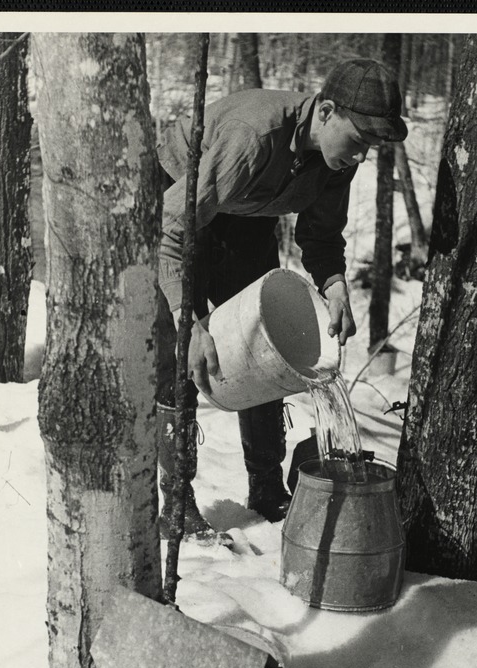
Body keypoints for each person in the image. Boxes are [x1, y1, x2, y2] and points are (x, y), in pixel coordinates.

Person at [155, 57, 408, 540]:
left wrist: (335, 285)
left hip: (247, 213)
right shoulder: (253, 137)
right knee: (185, 351)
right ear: (326, 111)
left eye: (370, 148)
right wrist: (188, 321)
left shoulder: (336, 161)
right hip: (179, 201)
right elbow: (174, 227)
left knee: (263, 343)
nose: (360, 156)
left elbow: (322, 235)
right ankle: (177, 506)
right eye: (358, 141)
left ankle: (267, 489)